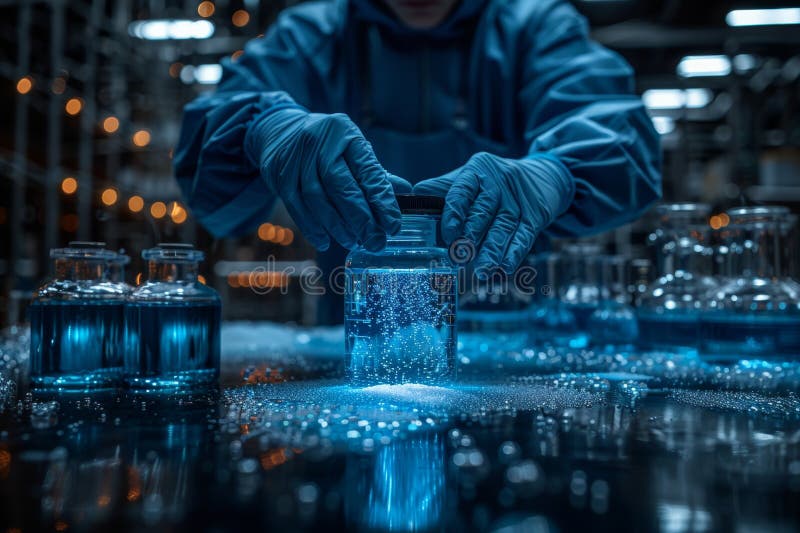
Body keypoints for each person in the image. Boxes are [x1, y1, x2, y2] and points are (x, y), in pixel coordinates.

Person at [174, 0, 661, 322]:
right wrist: (261, 128)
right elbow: (209, 177)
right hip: (356, 339)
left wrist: (555, 173)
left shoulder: (535, 27)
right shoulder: (308, 38)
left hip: (515, 336)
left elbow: (618, 134)